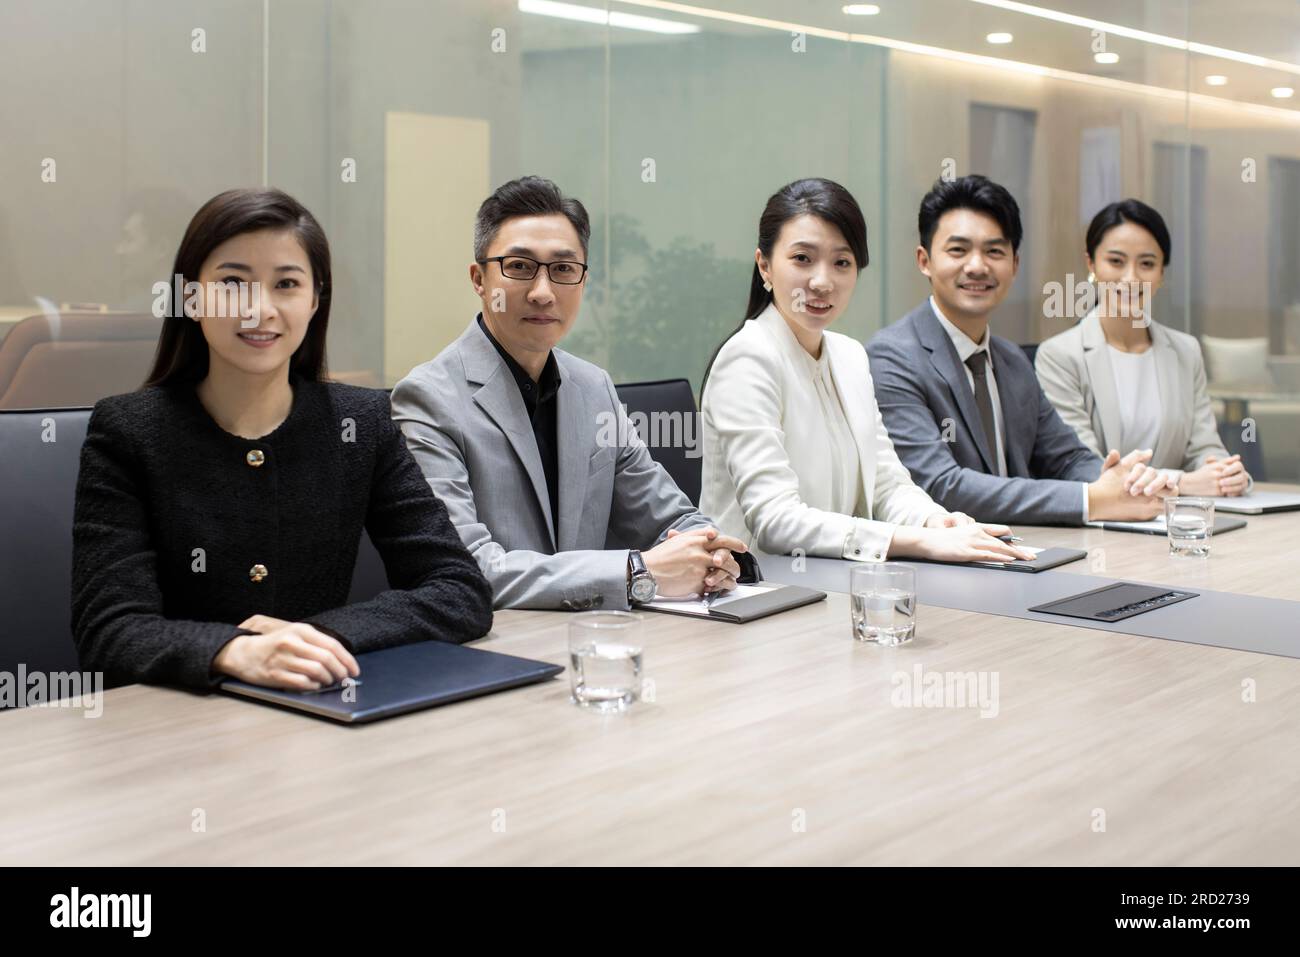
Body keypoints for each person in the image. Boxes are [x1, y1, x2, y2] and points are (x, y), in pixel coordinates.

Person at [71, 188, 493, 692]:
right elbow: (109, 631)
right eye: (232, 282)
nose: (261, 309)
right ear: (191, 297)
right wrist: (234, 652)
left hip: (325, 713)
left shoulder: (361, 423)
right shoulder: (127, 432)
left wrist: (313, 638)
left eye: (286, 284)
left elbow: (459, 590)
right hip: (180, 727)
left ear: (315, 300)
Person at [391, 176, 758, 610]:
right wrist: (635, 572)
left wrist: (713, 554)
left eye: (563, 269)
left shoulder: (593, 387)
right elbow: (468, 570)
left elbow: (670, 518)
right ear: (478, 279)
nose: (543, 292)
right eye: (519, 267)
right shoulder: (426, 399)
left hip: (596, 639)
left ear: (582, 281)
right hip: (493, 649)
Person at [700, 178, 1031, 564]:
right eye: (802, 259)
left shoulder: (850, 356)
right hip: (757, 594)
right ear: (765, 266)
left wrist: (937, 523)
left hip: (834, 584)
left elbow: (888, 484)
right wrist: (917, 542)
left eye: (842, 262)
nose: (823, 281)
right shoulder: (748, 356)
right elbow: (775, 521)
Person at [867, 174, 1175, 526]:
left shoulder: (1011, 360)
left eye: (994, 251)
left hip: (1029, 552)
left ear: (1014, 265)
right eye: (958, 250)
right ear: (925, 261)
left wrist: (1128, 482)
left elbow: (1066, 458)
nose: (977, 266)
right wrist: (1091, 499)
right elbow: (940, 486)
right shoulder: (892, 357)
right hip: (941, 567)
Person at [1035, 198, 1250, 497]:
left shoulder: (1185, 351)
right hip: (1104, 529)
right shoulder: (1060, 356)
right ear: (1091, 264)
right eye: (1116, 261)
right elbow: (1084, 468)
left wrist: (1225, 473)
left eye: (1147, 264)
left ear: (1162, 273)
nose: (1131, 278)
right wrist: (1183, 483)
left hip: (1178, 523)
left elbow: (1204, 448)